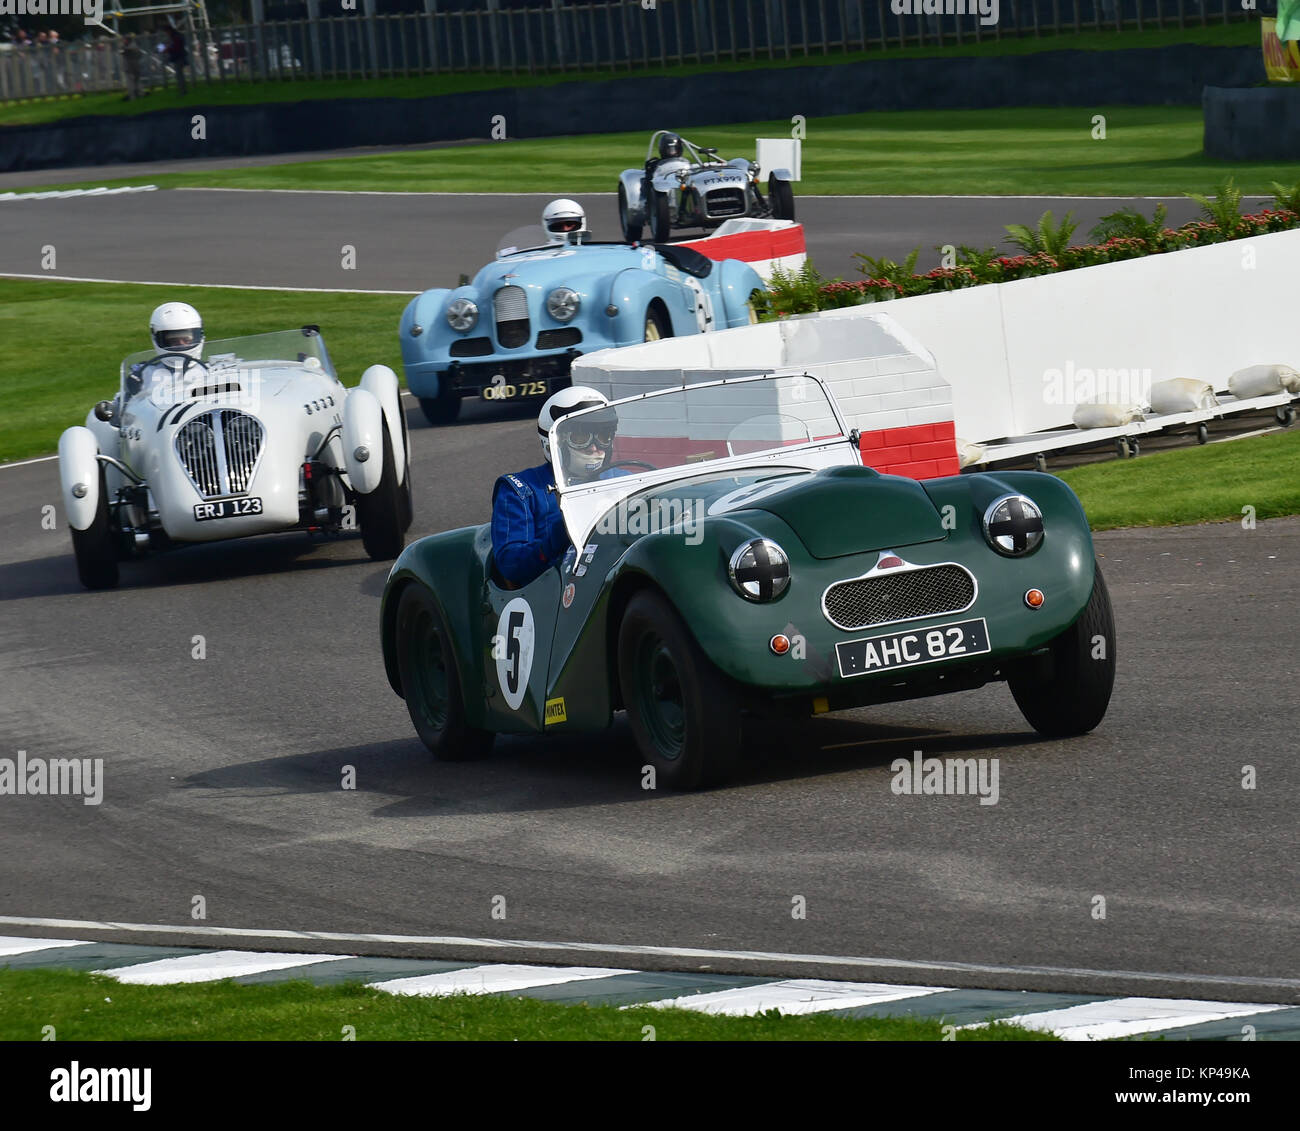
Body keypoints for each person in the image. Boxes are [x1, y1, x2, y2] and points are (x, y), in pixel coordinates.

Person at [491, 386, 618, 587]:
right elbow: (510, 565)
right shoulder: (521, 490)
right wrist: (560, 535)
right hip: (555, 588)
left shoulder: (622, 479)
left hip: (613, 573)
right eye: (581, 438)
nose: (595, 448)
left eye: (603, 437)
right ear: (553, 442)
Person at [127, 301, 205, 403]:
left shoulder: (213, 371)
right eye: (173, 341)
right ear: (158, 339)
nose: (181, 345)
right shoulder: (143, 376)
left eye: (186, 340)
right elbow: (119, 409)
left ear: (199, 336)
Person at [163, 23, 187, 94]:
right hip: (178, 56)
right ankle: (182, 89)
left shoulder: (176, 37)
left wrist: (168, 49)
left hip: (178, 57)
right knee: (179, 74)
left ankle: (182, 91)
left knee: (179, 75)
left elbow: (176, 48)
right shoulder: (175, 36)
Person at [120, 34, 143, 101]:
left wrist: (123, 49)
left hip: (130, 66)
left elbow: (124, 51)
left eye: (124, 40)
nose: (123, 41)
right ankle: (139, 94)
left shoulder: (130, 47)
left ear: (127, 40)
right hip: (135, 65)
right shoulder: (134, 46)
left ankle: (133, 96)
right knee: (136, 81)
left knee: (131, 82)